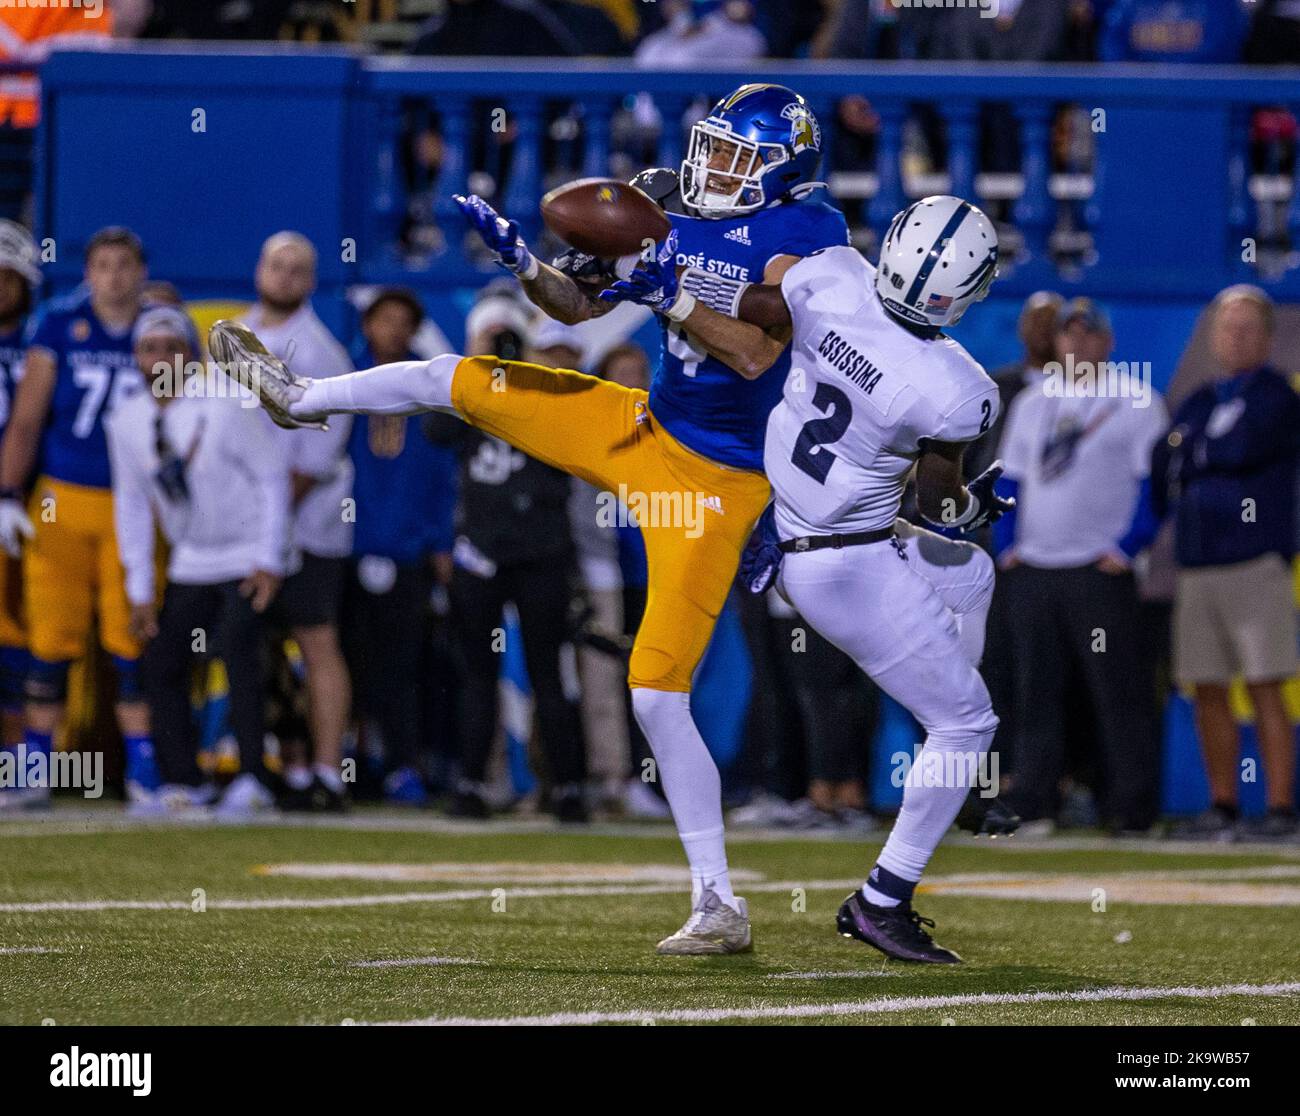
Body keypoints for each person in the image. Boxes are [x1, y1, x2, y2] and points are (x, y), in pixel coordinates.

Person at [217, 82, 849, 955]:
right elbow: (578, 305)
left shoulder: (808, 236)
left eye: (735, 156)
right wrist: (528, 270)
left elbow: (754, 353)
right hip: (642, 427)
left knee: (656, 692)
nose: (711, 166)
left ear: (784, 170)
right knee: (465, 379)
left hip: (723, 481)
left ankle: (718, 902)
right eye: (712, 146)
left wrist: (669, 293)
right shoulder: (666, 200)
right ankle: (301, 396)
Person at [601, 194, 1011, 963]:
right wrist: (970, 504)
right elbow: (935, 497)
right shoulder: (957, 385)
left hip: (785, 520)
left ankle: (942, 771)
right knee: (971, 724)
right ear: (971, 287)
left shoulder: (832, 278)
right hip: (846, 560)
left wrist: (675, 290)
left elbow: (753, 307)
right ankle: (883, 899)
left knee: (970, 579)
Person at [106, 306, 289, 815]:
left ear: (191, 354)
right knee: (162, 661)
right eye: (149, 347)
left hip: (244, 552)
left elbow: (272, 477)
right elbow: (133, 506)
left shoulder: (227, 404)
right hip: (191, 558)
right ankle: (183, 778)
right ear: (136, 358)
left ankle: (254, 776)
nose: (161, 357)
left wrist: (268, 559)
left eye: (172, 347)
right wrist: (140, 590)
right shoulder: (125, 421)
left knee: (240, 655)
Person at [994, 299, 1168, 833]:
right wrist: (1006, 545)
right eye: (1068, 334)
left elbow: (1155, 486)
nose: (1076, 344)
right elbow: (1009, 480)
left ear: (1107, 342)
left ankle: (1131, 809)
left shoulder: (1138, 401)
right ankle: (1035, 804)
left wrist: (1126, 549)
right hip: (1035, 570)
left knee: (1117, 692)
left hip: (1098, 569)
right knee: (1034, 692)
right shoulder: (1031, 401)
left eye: (1087, 335)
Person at [0, 227, 154, 810]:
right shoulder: (60, 325)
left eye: (123, 264)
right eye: (102, 264)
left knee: (131, 638)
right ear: (87, 272)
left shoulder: (160, 328)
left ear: (140, 270)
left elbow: (185, 416)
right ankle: (35, 767)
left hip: (134, 506)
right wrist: (9, 492)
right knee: (50, 638)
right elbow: (27, 419)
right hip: (61, 497)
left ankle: (144, 771)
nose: (113, 275)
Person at [425, 294, 588, 823]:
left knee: (551, 676)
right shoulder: (469, 390)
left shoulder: (547, 388)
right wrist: (476, 365)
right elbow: (437, 431)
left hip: (541, 553)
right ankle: (472, 782)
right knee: (477, 674)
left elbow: (574, 448)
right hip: (482, 554)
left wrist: (529, 372)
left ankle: (568, 786)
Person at [1153, 286, 1300, 840]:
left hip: (1253, 561)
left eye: (1245, 327)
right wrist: (1194, 457)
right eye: (1226, 327)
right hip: (1198, 563)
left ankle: (1281, 806)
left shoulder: (1278, 396)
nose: (1234, 337)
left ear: (1266, 337)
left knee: (1265, 682)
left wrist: (1197, 456)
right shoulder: (1201, 398)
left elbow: (1234, 451)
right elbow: (1166, 460)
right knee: (1207, 684)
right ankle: (1224, 804)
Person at [240, 232, 353, 811]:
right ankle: (279, 767)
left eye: (297, 269)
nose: (284, 276)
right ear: (259, 269)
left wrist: (265, 521)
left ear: (310, 281)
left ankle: (330, 772)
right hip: (246, 526)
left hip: (309, 526)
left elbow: (313, 461)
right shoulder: (232, 336)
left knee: (316, 641)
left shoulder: (319, 350)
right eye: (276, 264)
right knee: (249, 647)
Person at [341, 288, 456, 809]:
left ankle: (405, 764)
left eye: (401, 322)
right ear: (367, 325)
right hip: (345, 548)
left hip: (409, 553)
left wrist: (439, 542)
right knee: (348, 665)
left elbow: (441, 476)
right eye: (382, 320)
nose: (391, 330)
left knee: (406, 667)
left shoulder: (427, 389)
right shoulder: (339, 380)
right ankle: (352, 762)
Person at [0, 221, 40, 761]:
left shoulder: (42, 340)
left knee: (18, 632)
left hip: (28, 505)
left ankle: (16, 758)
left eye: (9, 278)